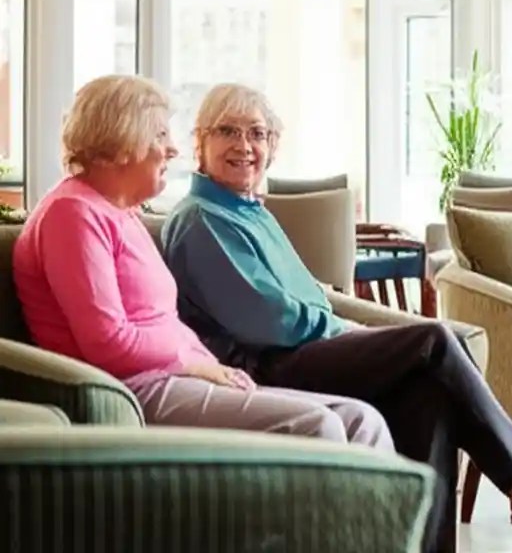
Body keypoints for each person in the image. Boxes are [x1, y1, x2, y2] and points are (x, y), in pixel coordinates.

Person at [160, 83, 512, 553]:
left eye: (257, 133)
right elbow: (268, 322)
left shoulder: (249, 211)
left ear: (272, 147)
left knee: (430, 393)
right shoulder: (200, 219)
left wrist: (346, 330)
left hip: (302, 350)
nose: (244, 145)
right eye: (228, 131)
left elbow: (310, 297)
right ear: (200, 143)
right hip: (264, 365)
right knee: (437, 342)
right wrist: (347, 331)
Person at [12, 75, 392, 449]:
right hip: (132, 387)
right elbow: (108, 342)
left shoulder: (119, 212)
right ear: (123, 138)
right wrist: (193, 362)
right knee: (318, 426)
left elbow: (160, 322)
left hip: (174, 376)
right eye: (160, 135)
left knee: (362, 421)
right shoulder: (72, 214)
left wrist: (204, 364)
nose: (173, 149)